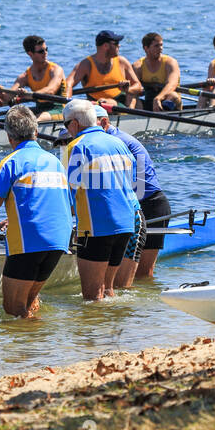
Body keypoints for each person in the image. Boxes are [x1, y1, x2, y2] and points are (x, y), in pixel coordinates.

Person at [0, 106, 73, 318]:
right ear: (35, 131)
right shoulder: (55, 162)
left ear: (9, 136)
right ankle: (38, 347)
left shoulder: (11, 162)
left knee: (13, 309)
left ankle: (31, 346)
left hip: (30, 242)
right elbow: (57, 202)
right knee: (29, 303)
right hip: (59, 239)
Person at [60, 98, 139, 301]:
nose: (67, 130)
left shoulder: (76, 146)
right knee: (108, 290)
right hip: (126, 224)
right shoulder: (120, 143)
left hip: (96, 228)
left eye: (65, 125)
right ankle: (112, 330)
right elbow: (135, 184)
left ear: (75, 124)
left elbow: (67, 192)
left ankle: (94, 333)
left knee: (92, 295)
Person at [95, 101, 170, 287]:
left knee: (143, 274)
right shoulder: (108, 141)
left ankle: (145, 312)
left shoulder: (120, 142)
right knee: (122, 277)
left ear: (104, 123)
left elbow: (133, 188)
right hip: (132, 206)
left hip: (151, 206)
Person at [3, 35, 71, 121]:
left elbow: (51, 91)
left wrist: (28, 95)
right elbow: (8, 97)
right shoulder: (25, 76)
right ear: (30, 54)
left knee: (36, 119)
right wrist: (0, 91)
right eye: (41, 51)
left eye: (46, 49)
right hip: (40, 109)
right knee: (13, 117)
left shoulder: (55, 70)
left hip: (59, 109)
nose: (45, 53)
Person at [70, 30, 143, 108]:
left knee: (130, 99)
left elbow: (138, 86)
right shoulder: (86, 65)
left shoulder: (122, 62)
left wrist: (127, 89)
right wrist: (66, 105)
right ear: (105, 46)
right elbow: (68, 85)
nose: (119, 46)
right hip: (96, 104)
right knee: (102, 102)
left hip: (119, 103)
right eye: (116, 43)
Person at [134, 32, 183, 112]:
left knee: (173, 95)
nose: (161, 48)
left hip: (169, 101)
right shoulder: (138, 66)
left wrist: (158, 98)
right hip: (149, 100)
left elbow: (172, 84)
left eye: (161, 45)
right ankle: (137, 118)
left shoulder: (170, 63)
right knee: (133, 98)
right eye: (156, 46)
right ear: (146, 48)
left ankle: (164, 115)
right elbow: (133, 87)